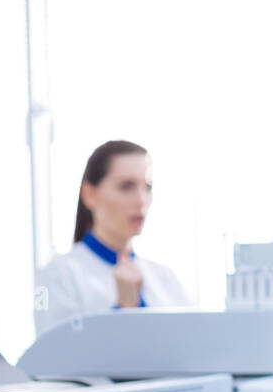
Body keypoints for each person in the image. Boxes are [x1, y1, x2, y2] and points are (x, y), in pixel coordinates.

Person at [34, 140, 191, 336]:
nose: (141, 200)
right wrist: (123, 308)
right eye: (126, 186)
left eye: (147, 188)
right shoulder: (58, 275)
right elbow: (55, 356)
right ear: (90, 194)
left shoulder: (164, 277)